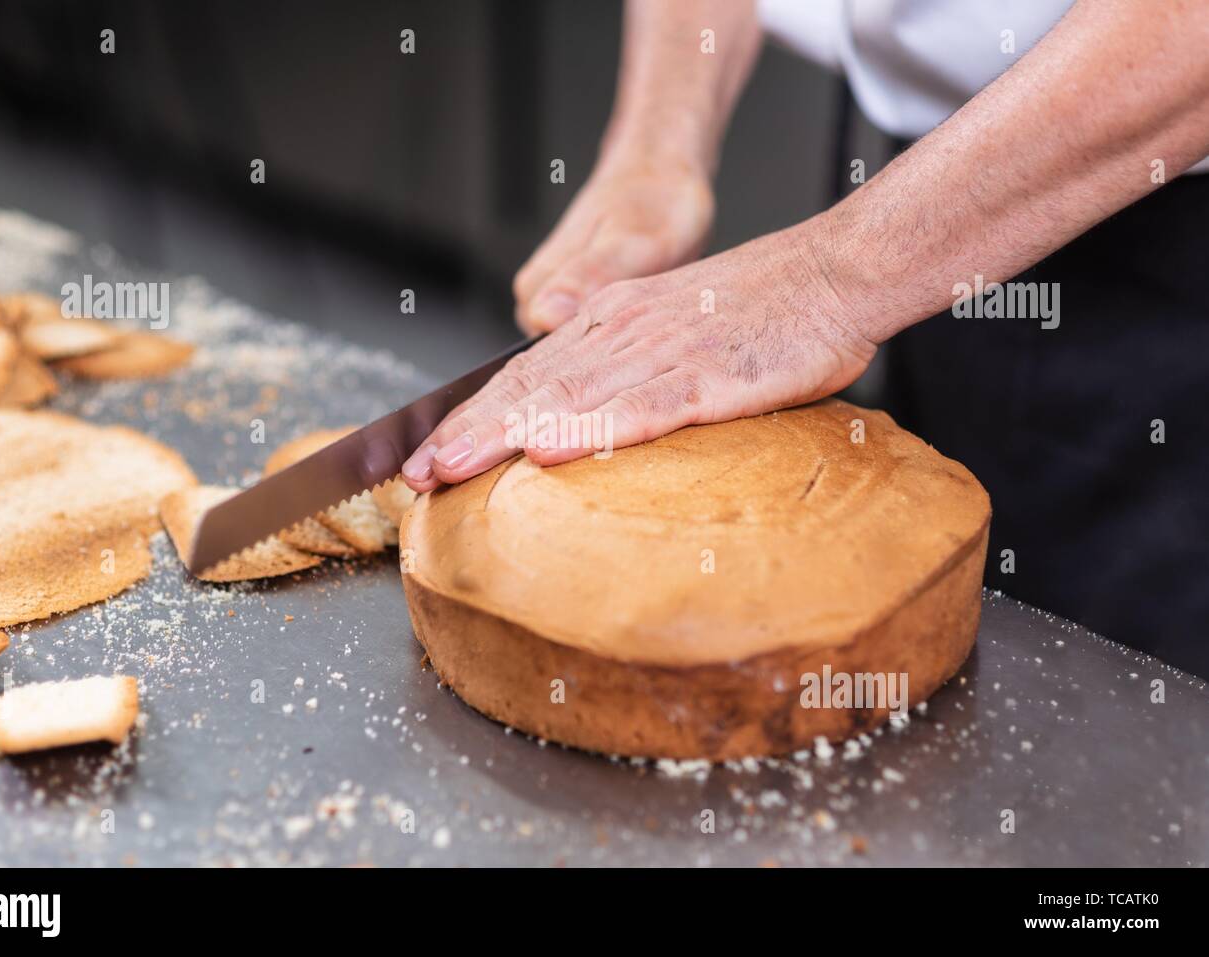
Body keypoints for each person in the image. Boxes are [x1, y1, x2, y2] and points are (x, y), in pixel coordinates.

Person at [400, 0, 1209, 676]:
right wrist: (655, 148)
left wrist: (825, 283)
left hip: (1162, 237)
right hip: (921, 181)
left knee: (1114, 728)